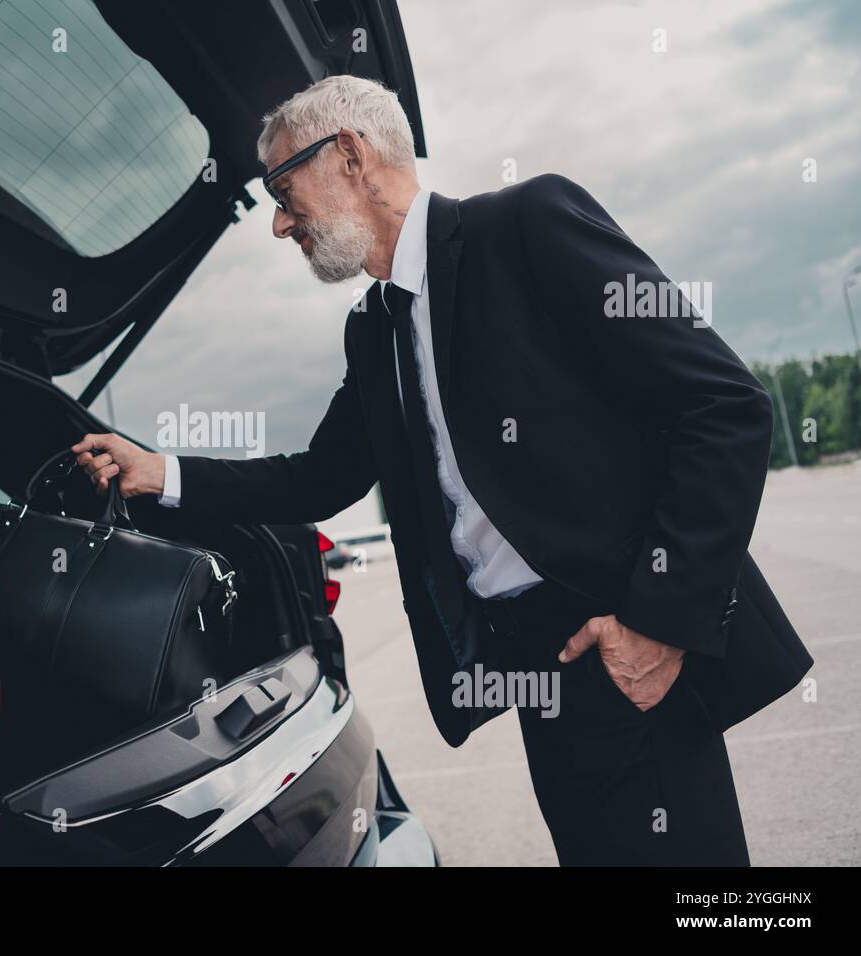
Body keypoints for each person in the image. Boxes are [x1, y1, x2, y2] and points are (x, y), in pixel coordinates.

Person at [72, 75, 811, 866]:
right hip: (538, 667)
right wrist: (161, 472)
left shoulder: (528, 226)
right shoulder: (375, 327)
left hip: (623, 640)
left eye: (284, 192)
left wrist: (658, 622)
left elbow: (724, 406)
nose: (281, 223)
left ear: (350, 155)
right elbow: (321, 477)